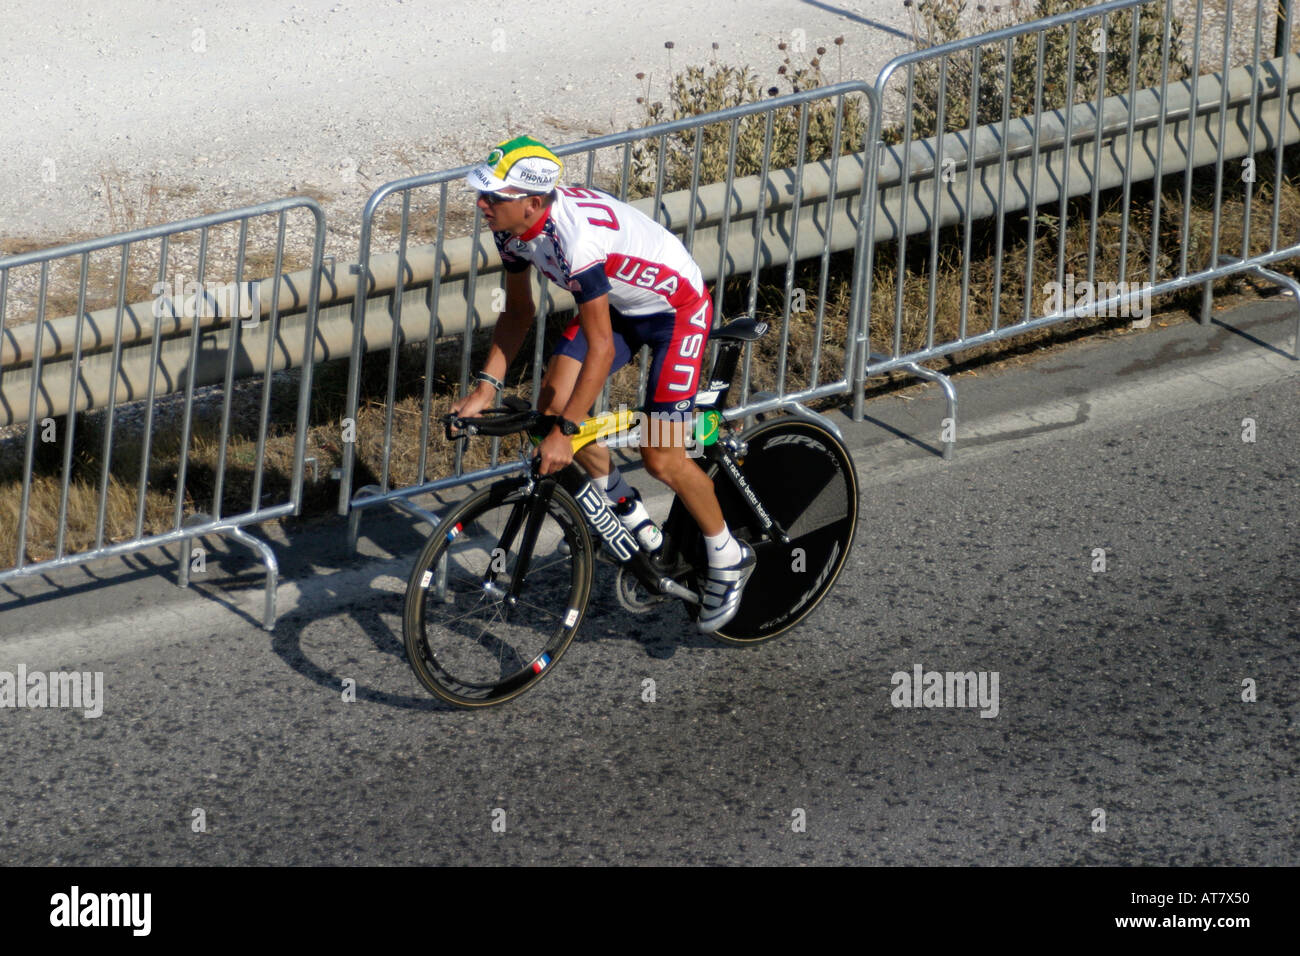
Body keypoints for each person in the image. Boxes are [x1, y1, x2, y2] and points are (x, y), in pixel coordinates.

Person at [450, 135, 754, 633]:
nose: (482, 204)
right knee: (551, 405)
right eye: (482, 193)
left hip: (675, 311)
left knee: (662, 456)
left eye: (493, 197)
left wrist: (567, 433)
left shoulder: (576, 240)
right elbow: (520, 311)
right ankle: (634, 520)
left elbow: (603, 350)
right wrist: (486, 387)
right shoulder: (512, 229)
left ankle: (727, 557)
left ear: (531, 202)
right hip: (621, 304)